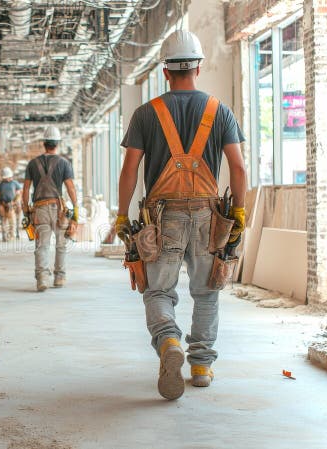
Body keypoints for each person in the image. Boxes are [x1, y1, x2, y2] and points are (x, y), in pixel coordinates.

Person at [116, 30, 248, 400]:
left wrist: (122, 216)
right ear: (199, 68)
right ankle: (202, 366)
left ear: (165, 71)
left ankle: (169, 340)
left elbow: (130, 170)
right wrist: (237, 212)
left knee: (158, 289)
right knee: (207, 291)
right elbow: (237, 167)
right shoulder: (219, 111)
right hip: (209, 217)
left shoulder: (146, 113)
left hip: (162, 219)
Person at [22, 126, 79, 292]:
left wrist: (26, 211)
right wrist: (75, 210)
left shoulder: (32, 164)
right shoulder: (64, 163)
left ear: (44, 143)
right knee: (61, 244)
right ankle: (59, 277)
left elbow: (26, 189)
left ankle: (42, 279)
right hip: (58, 210)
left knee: (42, 245)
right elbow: (70, 188)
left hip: (39, 209)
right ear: (57, 143)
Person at [0, 167, 22, 242]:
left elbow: (19, 194)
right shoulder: (1, 184)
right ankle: (5, 235)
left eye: (8, 177)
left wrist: (15, 201)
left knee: (11, 218)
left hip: (12, 203)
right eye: (5, 178)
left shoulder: (14, 183)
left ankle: (12, 235)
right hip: (3, 203)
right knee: (4, 219)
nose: (7, 179)